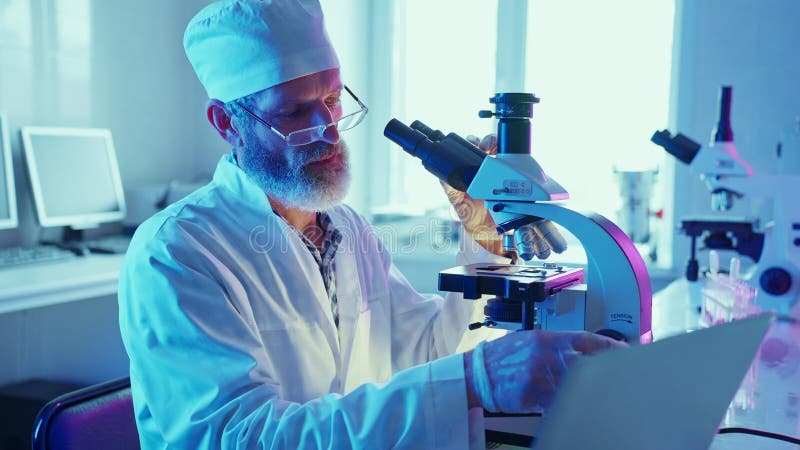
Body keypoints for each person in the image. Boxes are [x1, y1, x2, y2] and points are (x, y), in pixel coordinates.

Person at [118, 0, 625, 448]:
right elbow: (244, 439)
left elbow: (425, 353)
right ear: (227, 124)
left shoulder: (347, 229)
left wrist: (482, 235)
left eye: (334, 100)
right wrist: (474, 379)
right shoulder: (178, 252)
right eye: (296, 112)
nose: (328, 130)